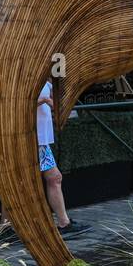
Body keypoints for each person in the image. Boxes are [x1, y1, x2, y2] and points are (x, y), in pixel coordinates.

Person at [36, 81, 89, 238]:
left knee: (54, 178)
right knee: (53, 178)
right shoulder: (26, 78)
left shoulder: (45, 81)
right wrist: (44, 101)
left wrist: (53, 101)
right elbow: (18, 104)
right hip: (33, 139)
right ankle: (63, 222)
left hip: (42, 141)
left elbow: (57, 103)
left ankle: (63, 222)